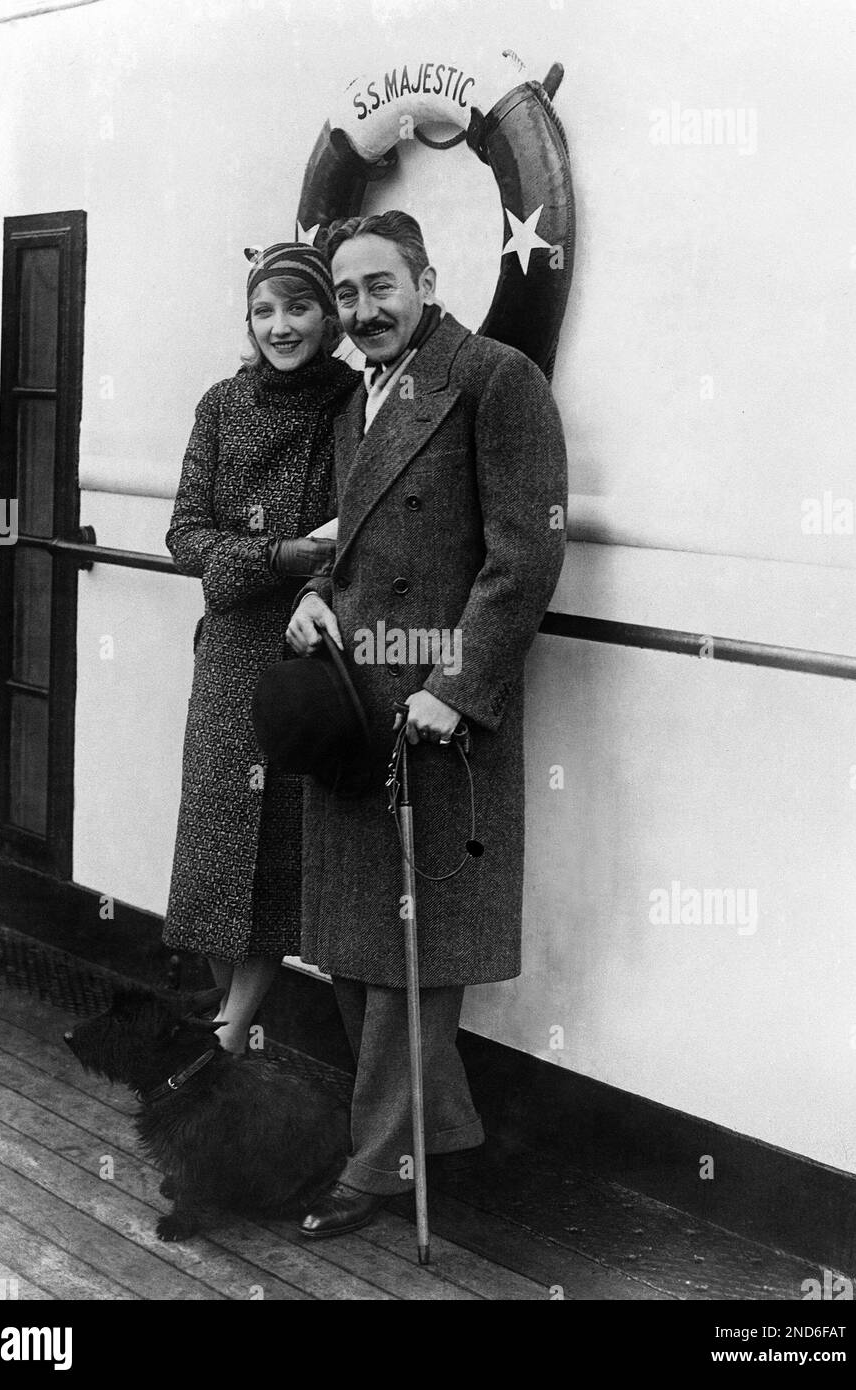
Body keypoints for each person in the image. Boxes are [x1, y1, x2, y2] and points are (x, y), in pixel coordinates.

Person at [286, 210, 568, 1236]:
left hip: (440, 717)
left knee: (416, 952)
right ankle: (426, 1135)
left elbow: (525, 555)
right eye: (347, 294)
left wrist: (454, 685)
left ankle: (375, 1169)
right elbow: (345, 534)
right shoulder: (356, 400)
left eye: (379, 288)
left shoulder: (497, 381)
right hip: (358, 705)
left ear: (426, 278)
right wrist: (314, 588)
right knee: (360, 945)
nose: (362, 312)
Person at [163, 242, 357, 1055]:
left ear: (328, 316)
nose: (281, 326)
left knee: (275, 863)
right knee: (212, 865)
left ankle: (223, 1045)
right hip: (230, 653)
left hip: (307, 662)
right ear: (248, 320)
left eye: (298, 307)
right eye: (264, 311)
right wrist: (276, 555)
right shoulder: (220, 404)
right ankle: (230, 1041)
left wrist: (317, 574)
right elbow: (184, 536)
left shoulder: (357, 401)